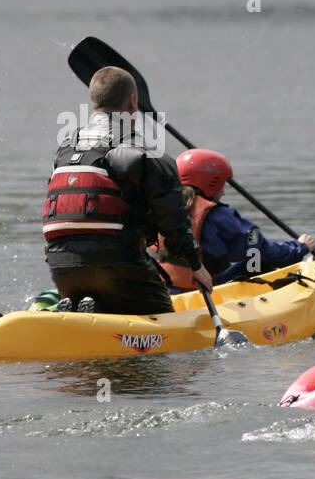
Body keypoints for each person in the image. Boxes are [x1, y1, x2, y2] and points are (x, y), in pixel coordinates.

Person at [43, 66, 212, 314]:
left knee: (98, 292)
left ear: (94, 103)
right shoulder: (146, 154)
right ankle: (102, 307)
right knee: (164, 316)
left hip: (62, 271)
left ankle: (83, 306)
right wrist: (196, 266)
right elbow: (174, 224)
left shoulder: (65, 151)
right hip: (121, 270)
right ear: (133, 102)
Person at [152, 149, 315, 290]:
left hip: (165, 287)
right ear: (212, 183)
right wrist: (299, 247)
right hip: (205, 289)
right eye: (222, 185)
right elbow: (259, 248)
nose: (223, 193)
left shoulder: (160, 207)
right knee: (259, 263)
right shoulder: (218, 216)